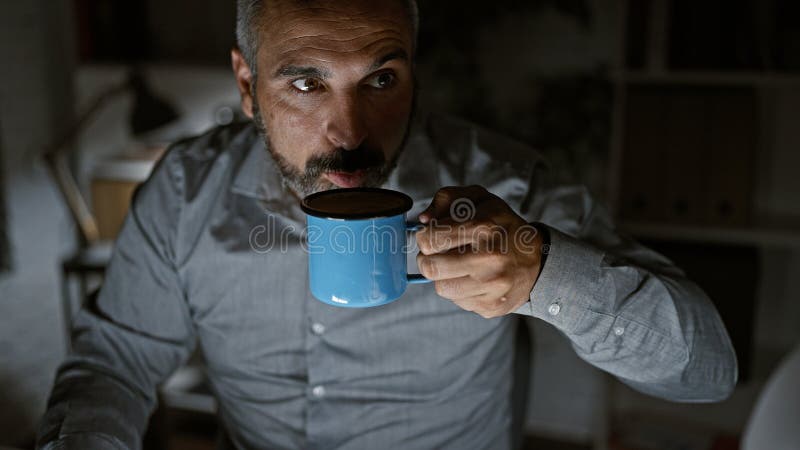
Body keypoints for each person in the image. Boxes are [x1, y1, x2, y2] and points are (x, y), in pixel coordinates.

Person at [37, 0, 738, 449]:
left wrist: (544, 269)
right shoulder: (187, 193)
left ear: (414, 78)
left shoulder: (506, 186)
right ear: (247, 86)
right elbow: (115, 363)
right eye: (306, 82)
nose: (350, 132)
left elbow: (708, 373)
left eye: (380, 79)